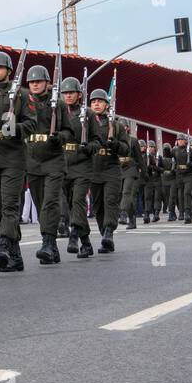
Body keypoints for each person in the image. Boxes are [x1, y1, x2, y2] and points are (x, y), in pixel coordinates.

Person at [0, 51, 36, 273]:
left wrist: (14, 128)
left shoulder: (22, 95)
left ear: (9, 71)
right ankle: (15, 254)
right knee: (4, 209)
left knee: (10, 204)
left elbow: (32, 124)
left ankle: (4, 244)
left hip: (13, 157)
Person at [23, 64, 68, 264]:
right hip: (32, 160)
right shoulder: (23, 101)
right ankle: (50, 243)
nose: (34, 84)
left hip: (53, 160)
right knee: (40, 203)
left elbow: (69, 131)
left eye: (38, 81)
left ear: (47, 83)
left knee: (50, 201)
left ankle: (48, 243)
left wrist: (59, 137)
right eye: (31, 82)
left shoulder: (57, 104)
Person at [84, 88, 127, 252]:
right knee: (98, 206)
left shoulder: (115, 125)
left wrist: (115, 144)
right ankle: (105, 235)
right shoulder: (86, 125)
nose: (96, 104)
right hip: (94, 169)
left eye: (99, 101)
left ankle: (109, 232)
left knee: (110, 202)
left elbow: (126, 149)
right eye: (93, 101)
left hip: (111, 169)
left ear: (106, 105)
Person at [57, 77, 92, 256]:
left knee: (78, 201)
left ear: (79, 94)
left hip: (82, 165)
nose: (68, 96)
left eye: (71, 93)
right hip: (63, 164)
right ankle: (86, 242)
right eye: (65, 93)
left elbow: (98, 140)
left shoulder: (88, 114)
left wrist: (89, 147)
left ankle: (74, 235)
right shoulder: (57, 113)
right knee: (71, 204)